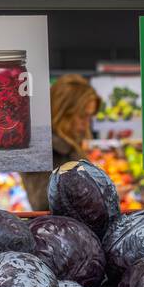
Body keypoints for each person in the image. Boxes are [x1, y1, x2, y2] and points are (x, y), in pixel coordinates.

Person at [21, 73, 100, 211]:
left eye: (90, 116)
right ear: (62, 112)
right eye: (82, 116)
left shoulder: (69, 143)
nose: (86, 124)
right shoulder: (44, 149)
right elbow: (42, 202)